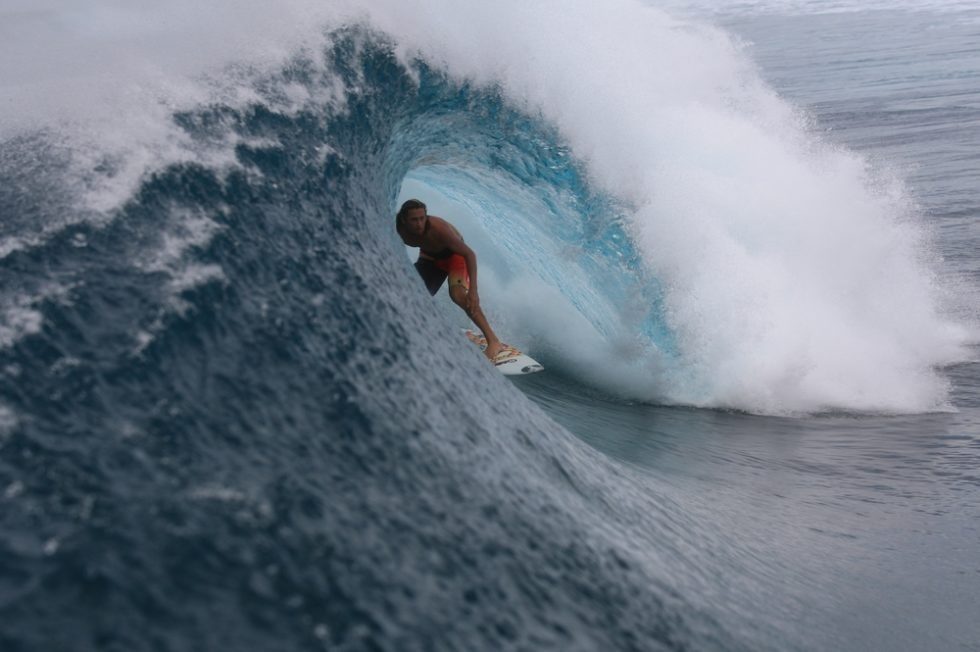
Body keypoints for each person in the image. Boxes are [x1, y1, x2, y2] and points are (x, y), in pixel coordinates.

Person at [396, 198, 505, 361]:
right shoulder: (398, 229)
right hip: (430, 258)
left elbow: (470, 254)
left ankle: (494, 341)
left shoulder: (438, 229)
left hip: (455, 256)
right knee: (411, 292)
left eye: (422, 218)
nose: (419, 224)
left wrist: (473, 291)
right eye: (414, 220)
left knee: (458, 295)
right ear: (404, 220)